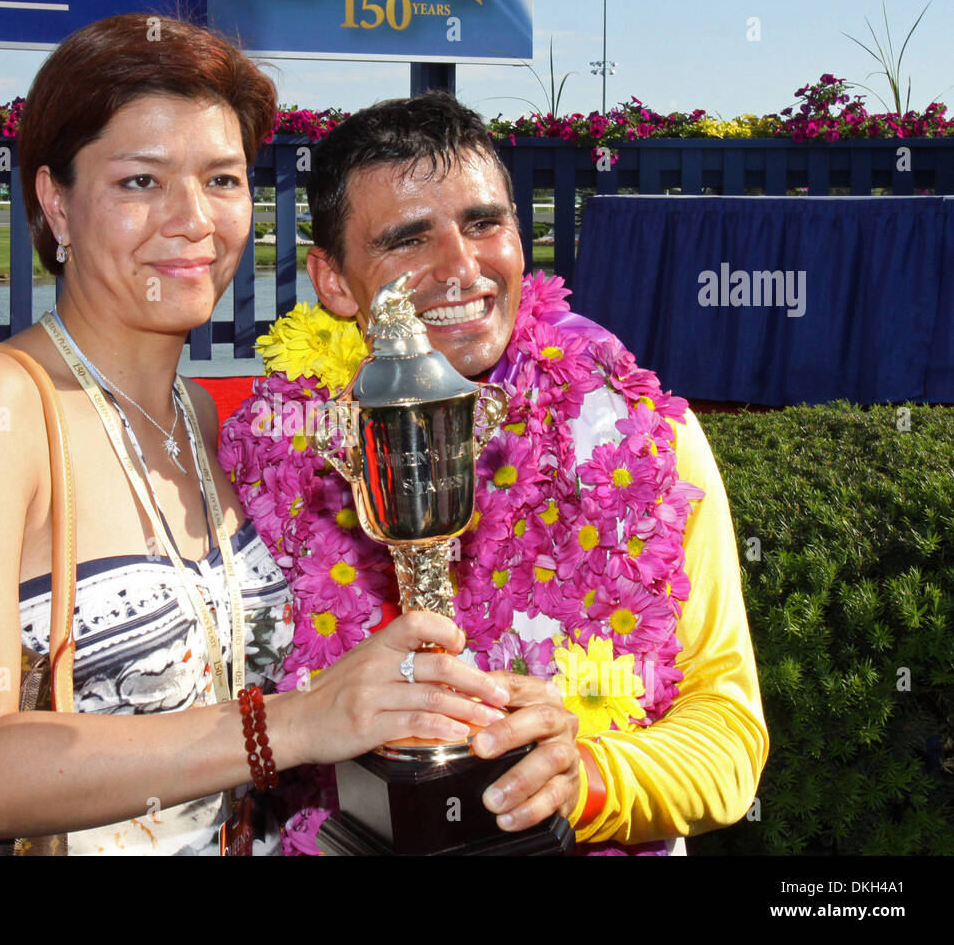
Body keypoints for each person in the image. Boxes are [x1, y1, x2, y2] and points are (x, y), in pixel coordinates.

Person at [0, 16, 517, 856]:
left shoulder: (201, 416)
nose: (193, 221)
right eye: (141, 182)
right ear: (54, 202)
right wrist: (291, 724)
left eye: (221, 179)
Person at [220, 91, 769, 854]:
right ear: (335, 281)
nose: (460, 267)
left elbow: (728, 732)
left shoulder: (647, 437)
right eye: (408, 239)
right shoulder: (267, 459)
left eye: (485, 223)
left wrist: (585, 780)